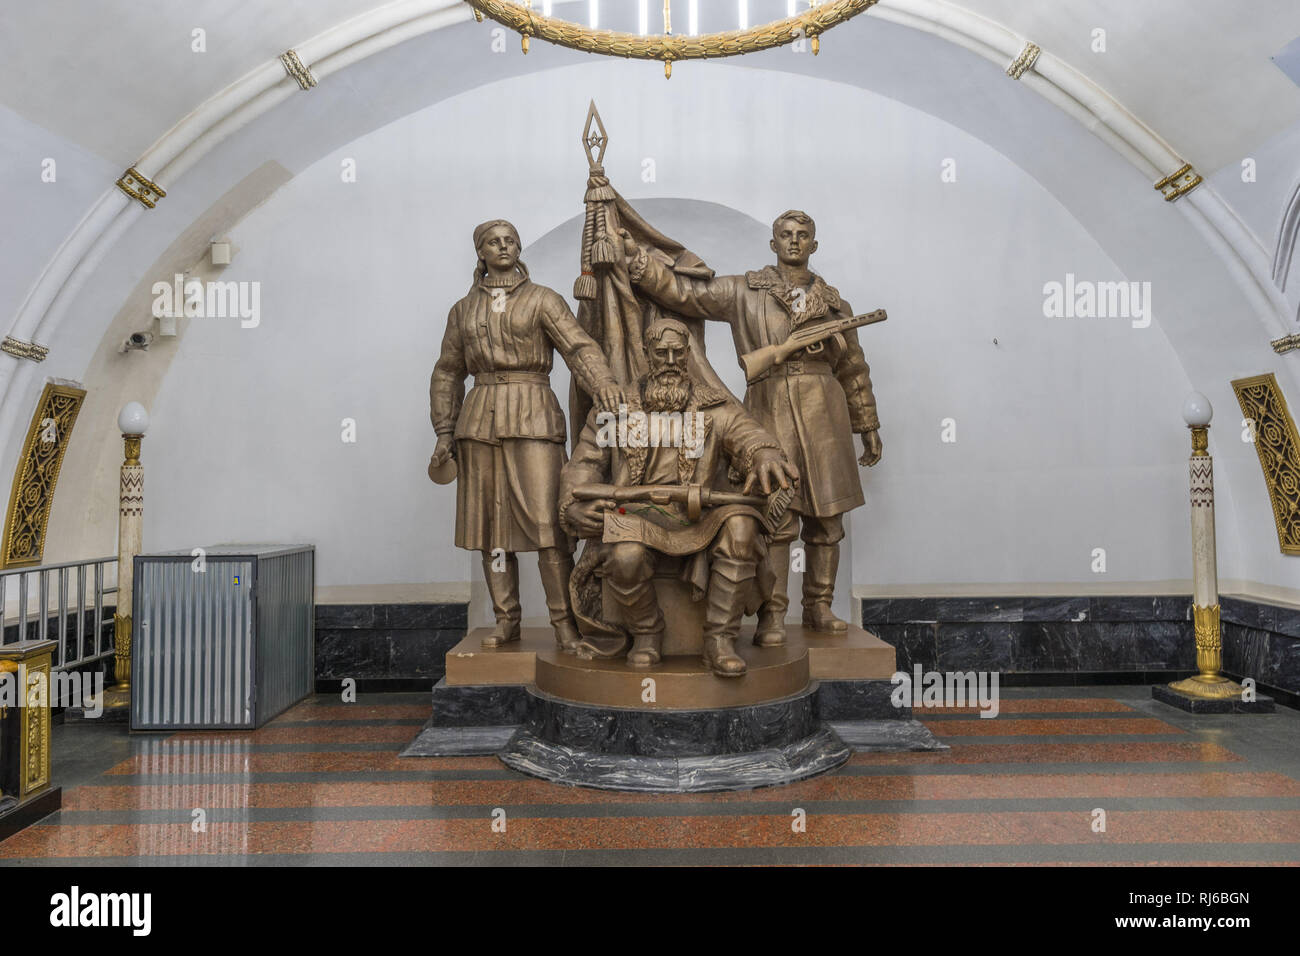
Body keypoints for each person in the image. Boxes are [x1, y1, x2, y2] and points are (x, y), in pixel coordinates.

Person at [620, 210, 881, 643]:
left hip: (827, 416)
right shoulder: (745, 289)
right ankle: (773, 616)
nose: (794, 241)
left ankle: (818, 606)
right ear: (773, 243)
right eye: (785, 234)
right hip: (770, 407)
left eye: (803, 235)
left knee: (829, 522)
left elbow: (854, 370)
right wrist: (640, 264)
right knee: (776, 520)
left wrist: (866, 423)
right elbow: (687, 295)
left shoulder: (836, 305)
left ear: (814, 244)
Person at [559, 318, 798, 677]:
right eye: (661, 353)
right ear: (646, 355)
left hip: (699, 515)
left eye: (677, 352)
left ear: (688, 354)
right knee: (625, 555)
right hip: (634, 512)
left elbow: (749, 435)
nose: (670, 360)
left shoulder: (714, 406)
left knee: (742, 529)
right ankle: (647, 632)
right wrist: (573, 506)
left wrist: (764, 454)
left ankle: (719, 640)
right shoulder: (616, 408)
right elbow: (584, 465)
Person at [431, 219, 622, 649]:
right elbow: (447, 371)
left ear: (518, 247)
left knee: (548, 527)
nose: (503, 246)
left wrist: (603, 383)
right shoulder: (462, 311)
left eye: (510, 240)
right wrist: (444, 430)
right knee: (491, 532)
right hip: (479, 423)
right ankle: (506, 620)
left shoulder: (543, 300)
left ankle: (565, 625)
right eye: (493, 242)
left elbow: (578, 348)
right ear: (480, 252)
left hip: (533, 415)